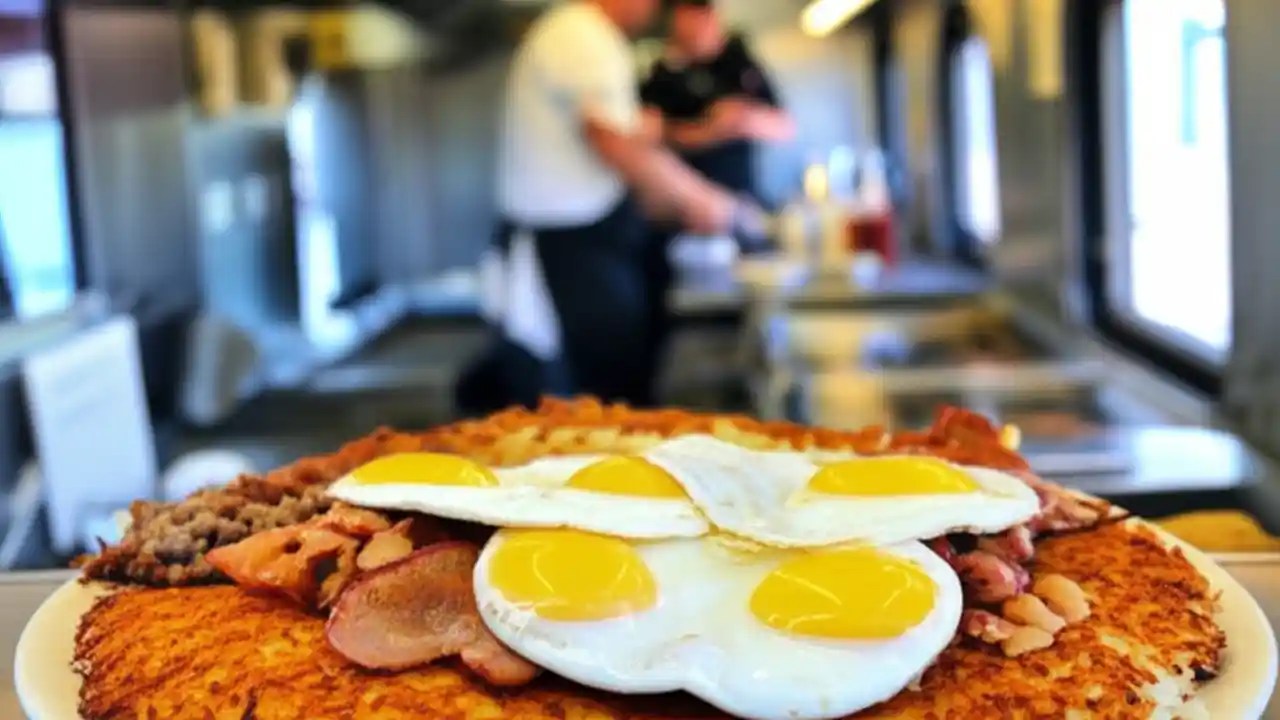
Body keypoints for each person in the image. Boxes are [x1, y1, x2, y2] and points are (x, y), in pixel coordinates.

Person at [461, 0, 756, 414]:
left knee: (616, 390)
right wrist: (706, 202)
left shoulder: (592, 37)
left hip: (589, 242)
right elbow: (614, 142)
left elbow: (627, 140)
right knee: (598, 402)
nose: (655, 7)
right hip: (569, 248)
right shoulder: (578, 35)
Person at [632, 0, 794, 403]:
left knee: (758, 309)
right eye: (687, 22)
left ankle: (750, 392)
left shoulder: (740, 63)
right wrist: (709, 129)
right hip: (675, 212)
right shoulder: (659, 76)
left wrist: (742, 119)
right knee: (654, 308)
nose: (697, 29)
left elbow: (782, 125)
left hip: (739, 209)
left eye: (703, 20)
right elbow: (645, 139)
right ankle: (651, 394)